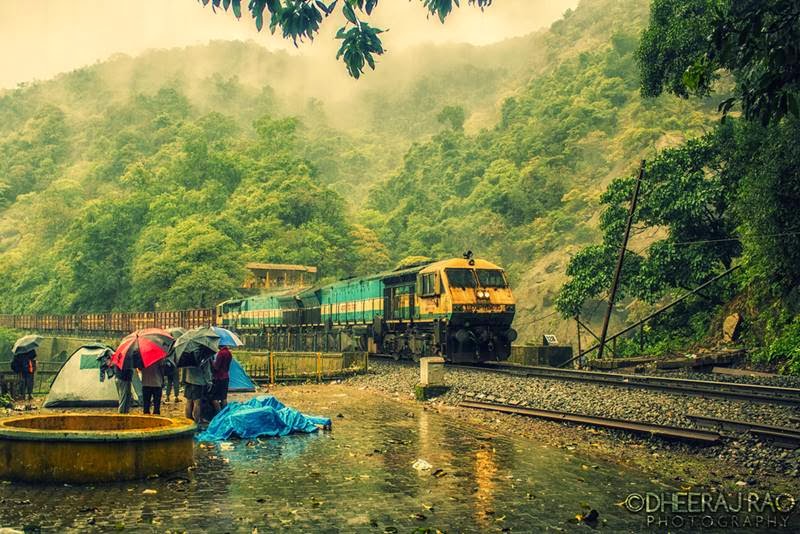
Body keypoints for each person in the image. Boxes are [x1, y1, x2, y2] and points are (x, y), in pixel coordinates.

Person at [210, 346, 233, 414]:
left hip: (219, 378)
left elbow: (216, 367)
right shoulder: (229, 353)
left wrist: (212, 362)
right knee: (224, 398)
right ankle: (225, 414)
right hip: (226, 377)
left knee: (214, 398)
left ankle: (219, 414)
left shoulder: (220, 353)